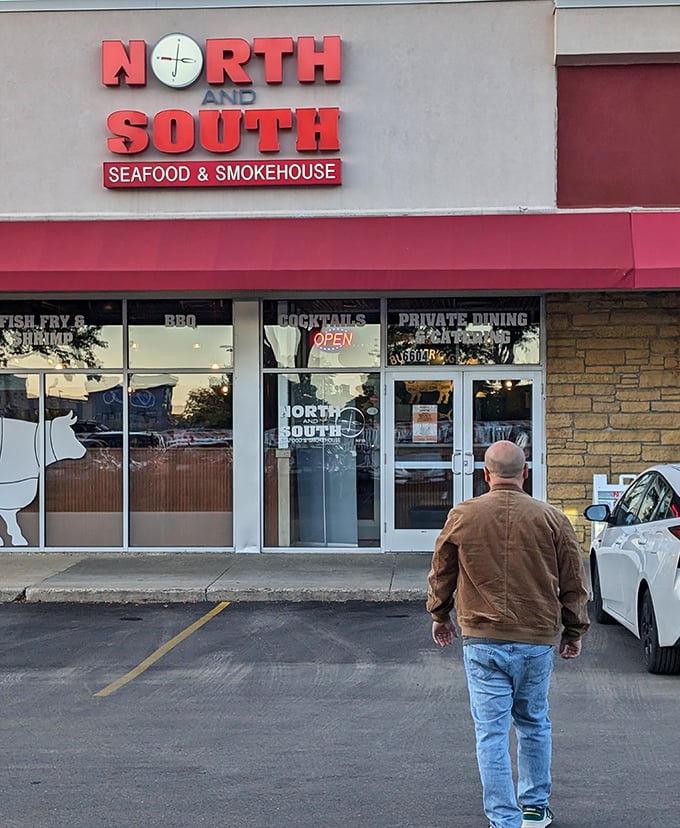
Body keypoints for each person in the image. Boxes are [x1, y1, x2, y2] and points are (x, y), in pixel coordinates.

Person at [426, 440, 589, 828]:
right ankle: (534, 808)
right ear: (525, 473)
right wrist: (574, 629)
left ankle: (503, 818)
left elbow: (442, 570)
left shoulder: (463, 515)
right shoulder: (551, 518)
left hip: (481, 640)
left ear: (485, 474)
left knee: (491, 733)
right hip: (535, 639)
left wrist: (440, 614)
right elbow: (573, 579)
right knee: (533, 723)